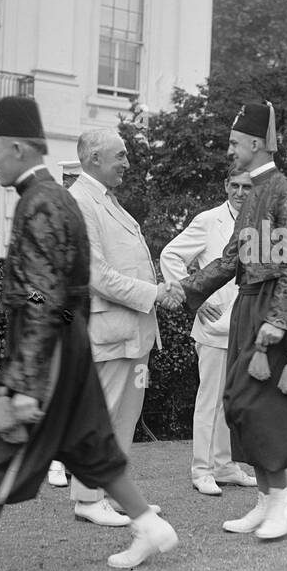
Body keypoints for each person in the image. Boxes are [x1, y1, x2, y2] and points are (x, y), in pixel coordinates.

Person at [0, 98, 176, 571]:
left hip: (47, 349)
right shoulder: (57, 197)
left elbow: (41, 297)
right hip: (69, 342)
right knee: (90, 444)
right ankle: (150, 525)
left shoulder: (41, 203)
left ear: (17, 148)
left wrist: (26, 384)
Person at [180, 101, 287, 540]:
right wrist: (184, 290)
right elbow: (231, 258)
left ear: (256, 143)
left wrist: (281, 318)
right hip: (247, 306)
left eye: (236, 142)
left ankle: (280, 501)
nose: (230, 150)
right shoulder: (254, 193)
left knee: (265, 408)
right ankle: (264, 501)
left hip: (270, 312)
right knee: (239, 404)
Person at [48, 129, 181, 526]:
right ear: (92, 158)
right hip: (109, 331)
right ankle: (88, 499)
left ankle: (114, 493)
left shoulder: (106, 199)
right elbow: (97, 276)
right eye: (120, 156)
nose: (127, 163)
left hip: (132, 331)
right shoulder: (79, 202)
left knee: (124, 417)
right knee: (103, 416)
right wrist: (155, 293)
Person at [159, 167, 259, 495]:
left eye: (247, 186)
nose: (241, 192)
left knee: (234, 400)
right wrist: (194, 298)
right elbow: (170, 255)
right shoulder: (207, 220)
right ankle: (201, 470)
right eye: (235, 185)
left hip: (246, 327)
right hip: (214, 327)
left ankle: (225, 465)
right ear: (225, 185)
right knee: (210, 401)